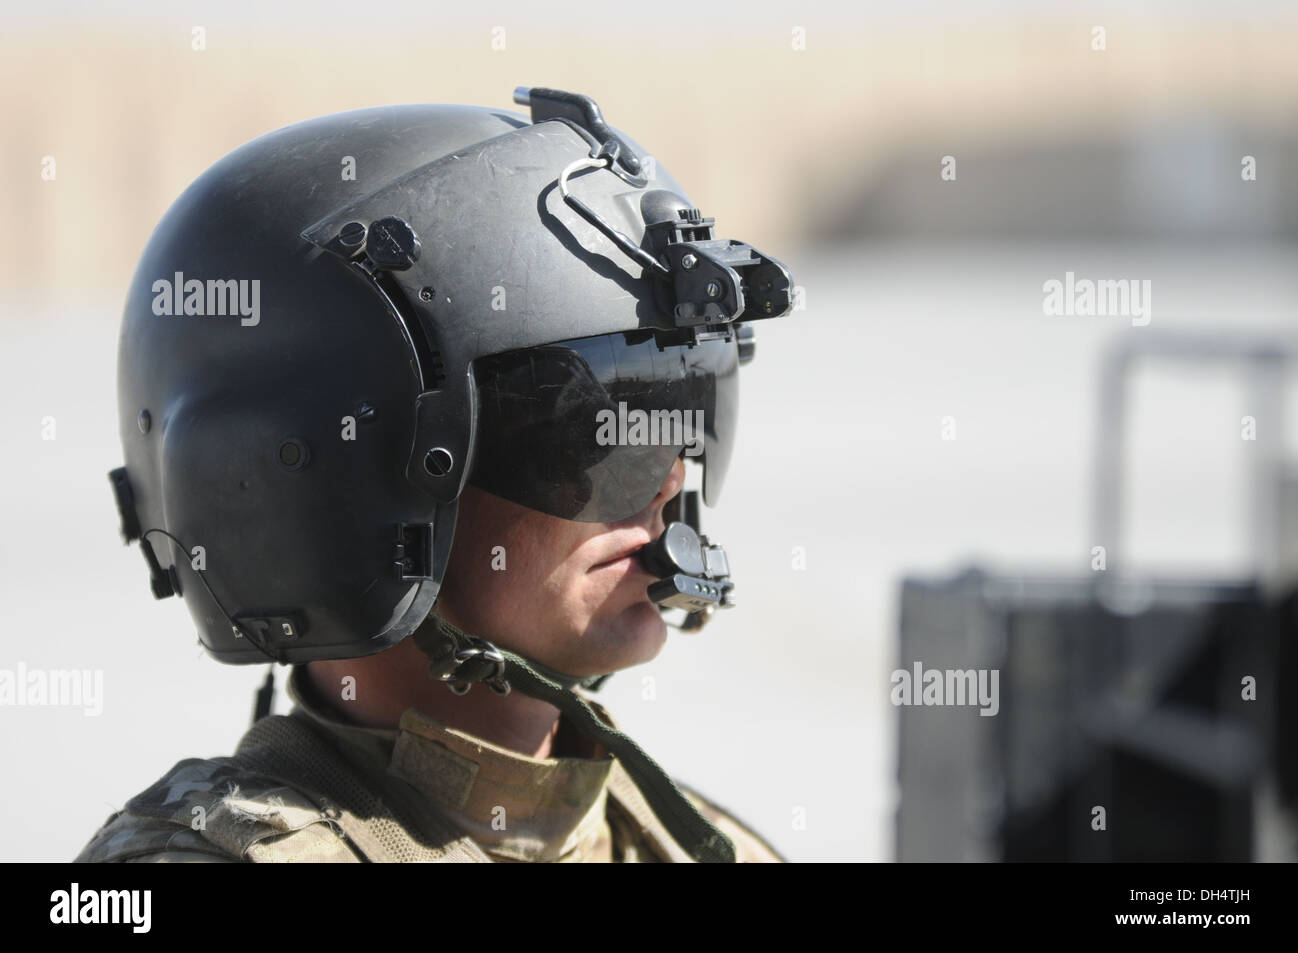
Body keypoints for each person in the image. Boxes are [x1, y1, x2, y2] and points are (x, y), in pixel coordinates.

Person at [75, 86, 795, 863]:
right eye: (592, 433)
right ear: (344, 487)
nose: (666, 484)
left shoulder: (692, 845)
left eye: (684, 407)